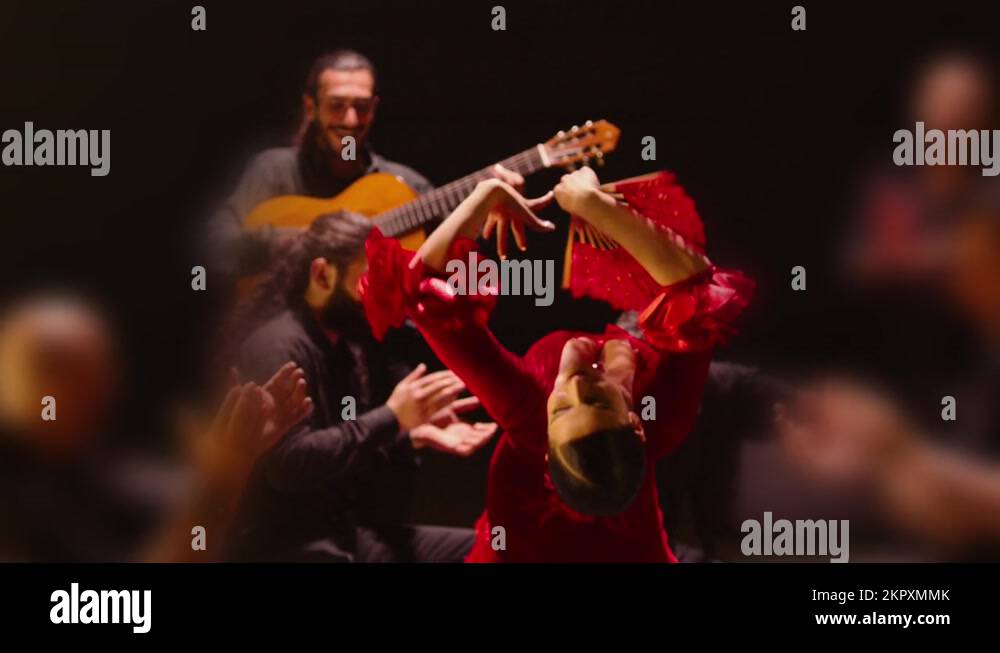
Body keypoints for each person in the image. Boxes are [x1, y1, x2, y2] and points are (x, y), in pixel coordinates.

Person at [360, 167, 754, 561]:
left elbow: (424, 294)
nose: (577, 384)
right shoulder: (663, 416)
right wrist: (592, 204)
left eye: (563, 407)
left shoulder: (527, 407)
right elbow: (697, 288)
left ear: (545, 449)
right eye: (596, 401)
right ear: (636, 425)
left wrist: (485, 195)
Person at [228, 211, 497, 562]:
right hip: (289, 547)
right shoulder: (278, 347)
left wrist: (408, 432)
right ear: (322, 275)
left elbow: (342, 446)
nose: (377, 296)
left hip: (343, 535)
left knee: (490, 548)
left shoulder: (342, 344)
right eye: (368, 281)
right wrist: (392, 418)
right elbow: (290, 465)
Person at [0, 294, 311, 562]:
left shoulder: (98, 468)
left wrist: (239, 456)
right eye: (62, 370)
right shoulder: (19, 499)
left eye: (98, 373)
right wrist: (226, 470)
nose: (98, 391)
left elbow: (192, 531)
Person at [207, 49, 434, 280]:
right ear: (310, 107)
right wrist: (301, 242)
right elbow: (215, 245)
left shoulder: (410, 185)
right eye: (336, 105)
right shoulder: (273, 171)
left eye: (362, 106)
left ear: (374, 108)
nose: (350, 120)